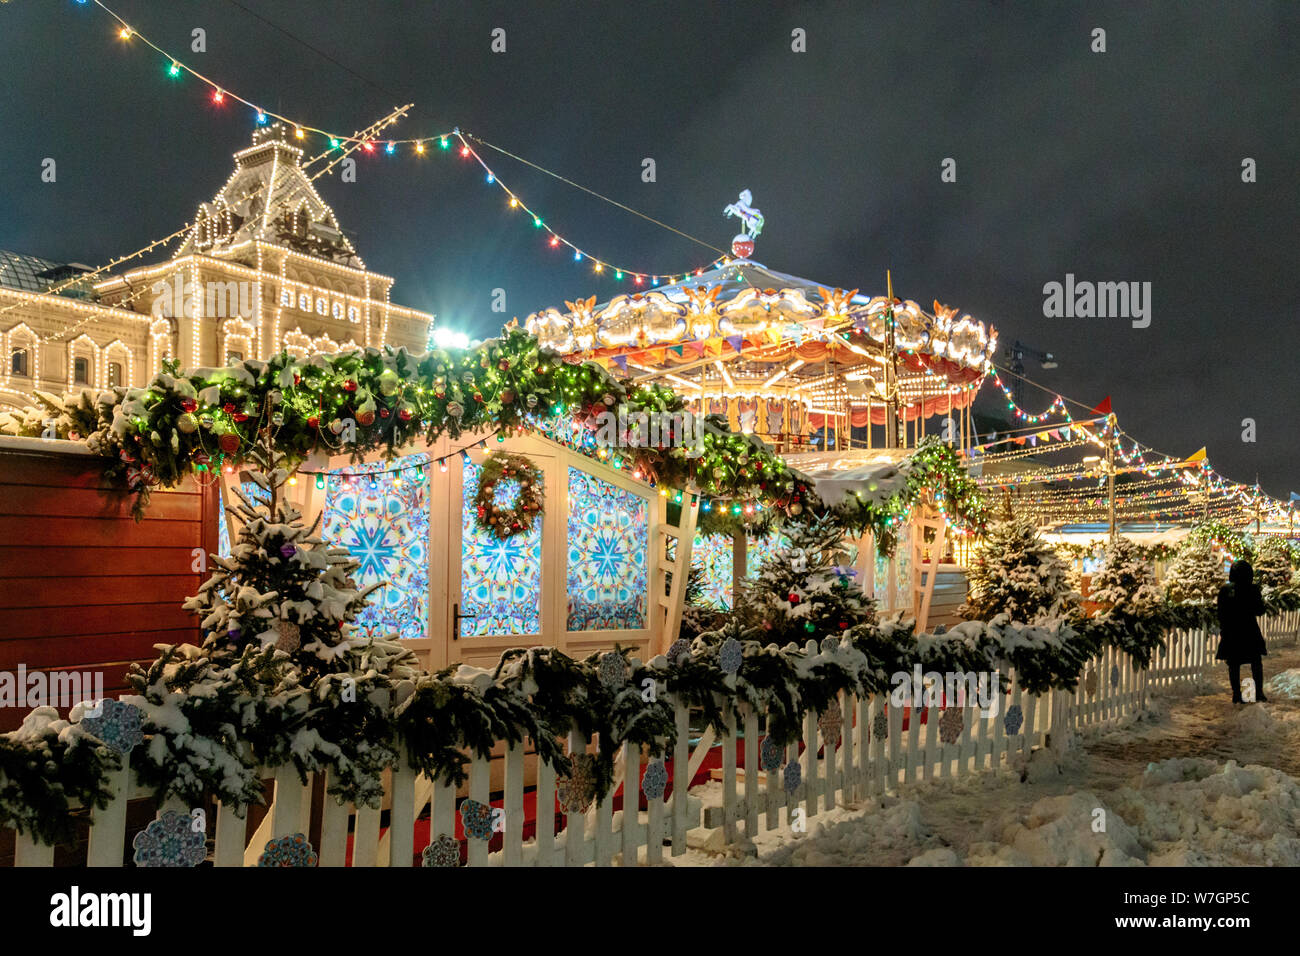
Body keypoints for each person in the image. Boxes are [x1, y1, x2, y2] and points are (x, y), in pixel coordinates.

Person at [1216, 559, 1268, 703]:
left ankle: (1236, 694)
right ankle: (1258, 693)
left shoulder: (1225, 590)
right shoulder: (1252, 589)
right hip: (1249, 630)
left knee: (1233, 664)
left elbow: (1220, 612)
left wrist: (1224, 628)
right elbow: (1259, 610)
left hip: (1231, 631)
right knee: (1256, 661)